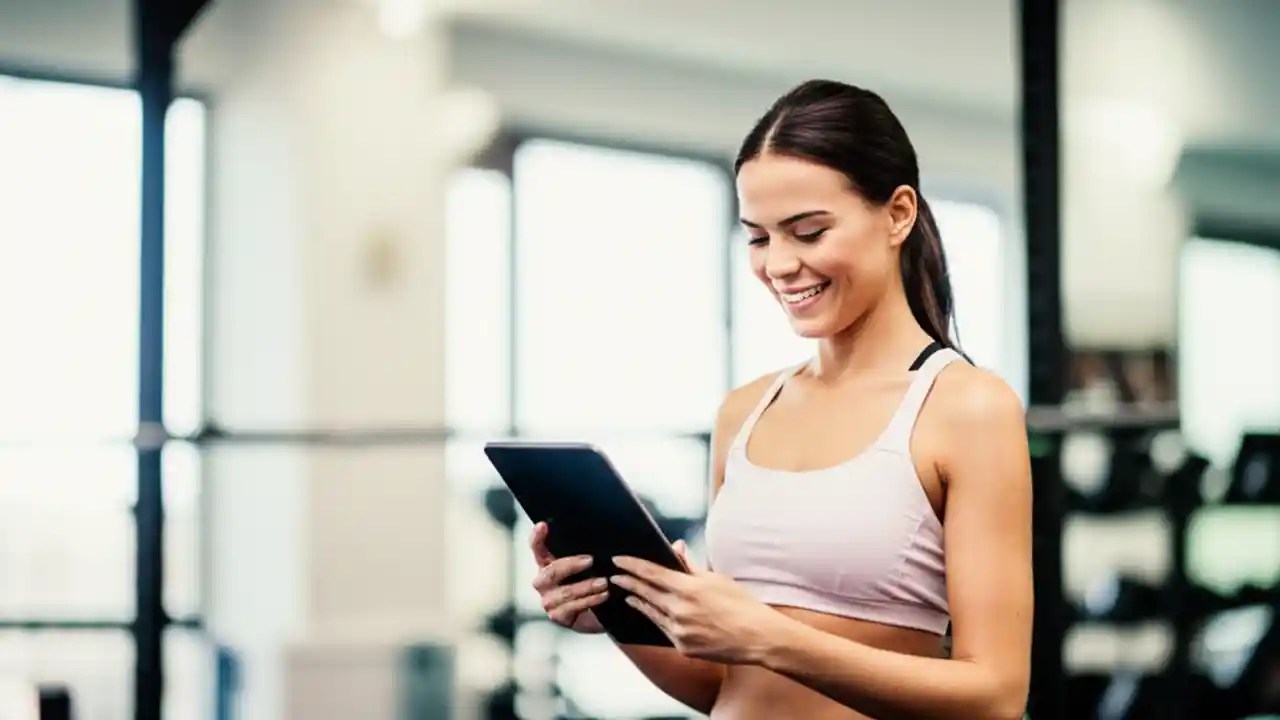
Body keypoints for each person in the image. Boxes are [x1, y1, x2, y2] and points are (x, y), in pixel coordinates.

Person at [528, 79, 1033, 720]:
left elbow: (995, 696)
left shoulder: (967, 408)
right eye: (759, 238)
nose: (780, 265)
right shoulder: (743, 413)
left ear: (898, 214)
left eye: (809, 232)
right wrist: (619, 613)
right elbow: (720, 685)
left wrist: (770, 638)